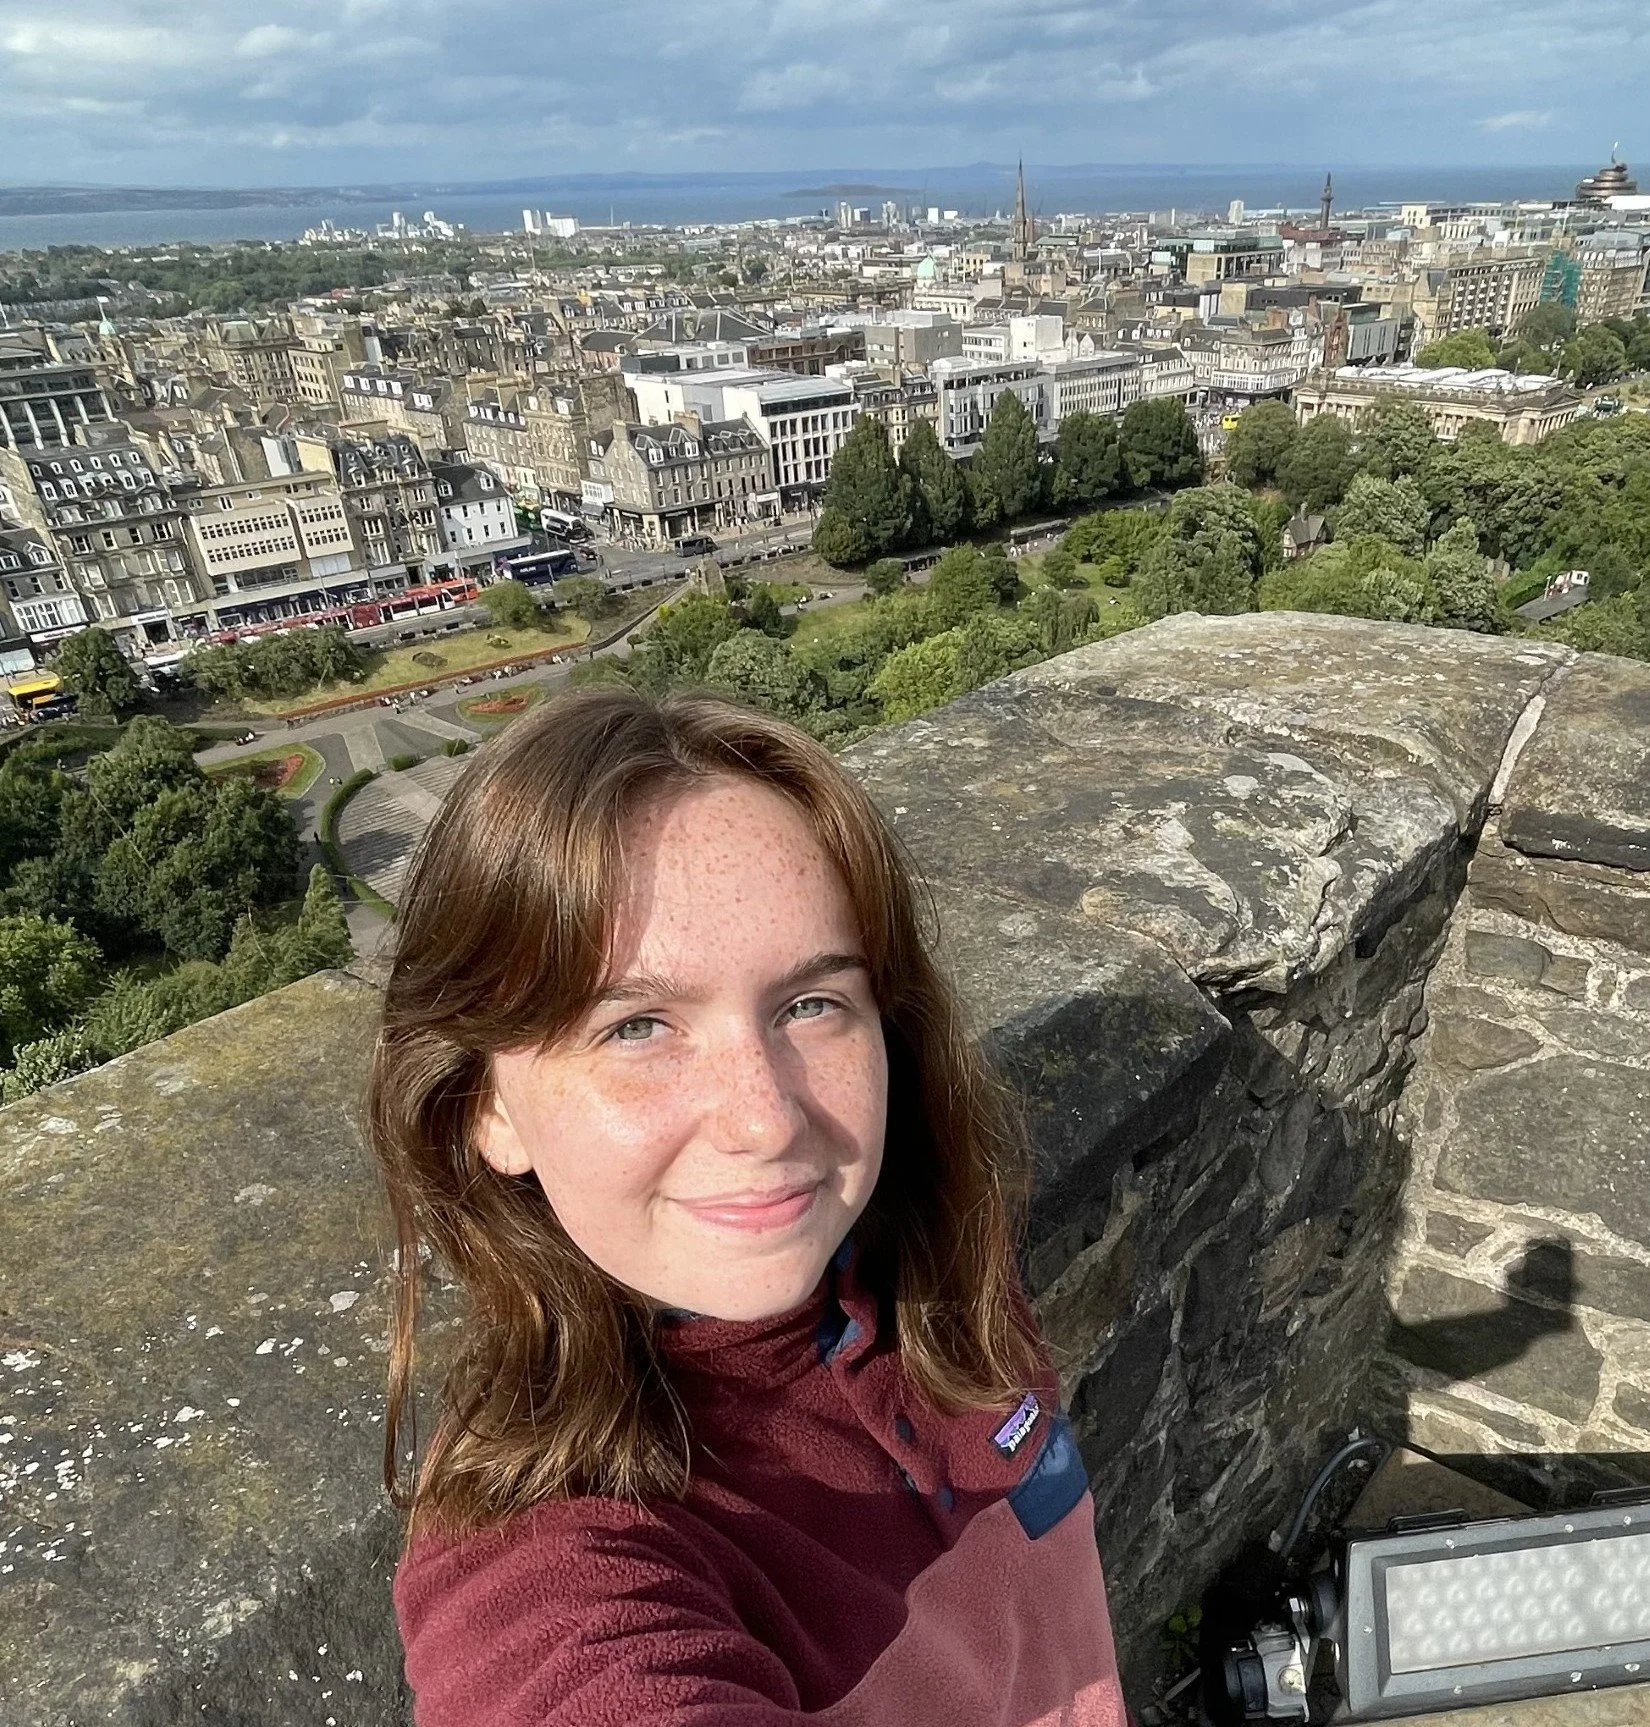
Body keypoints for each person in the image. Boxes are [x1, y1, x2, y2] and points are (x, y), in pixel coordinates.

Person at [369, 686, 1126, 1727]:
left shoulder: (933, 1254)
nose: (766, 1120)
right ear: (485, 1106)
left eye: (810, 1003)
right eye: (636, 1026)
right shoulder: (550, 1555)